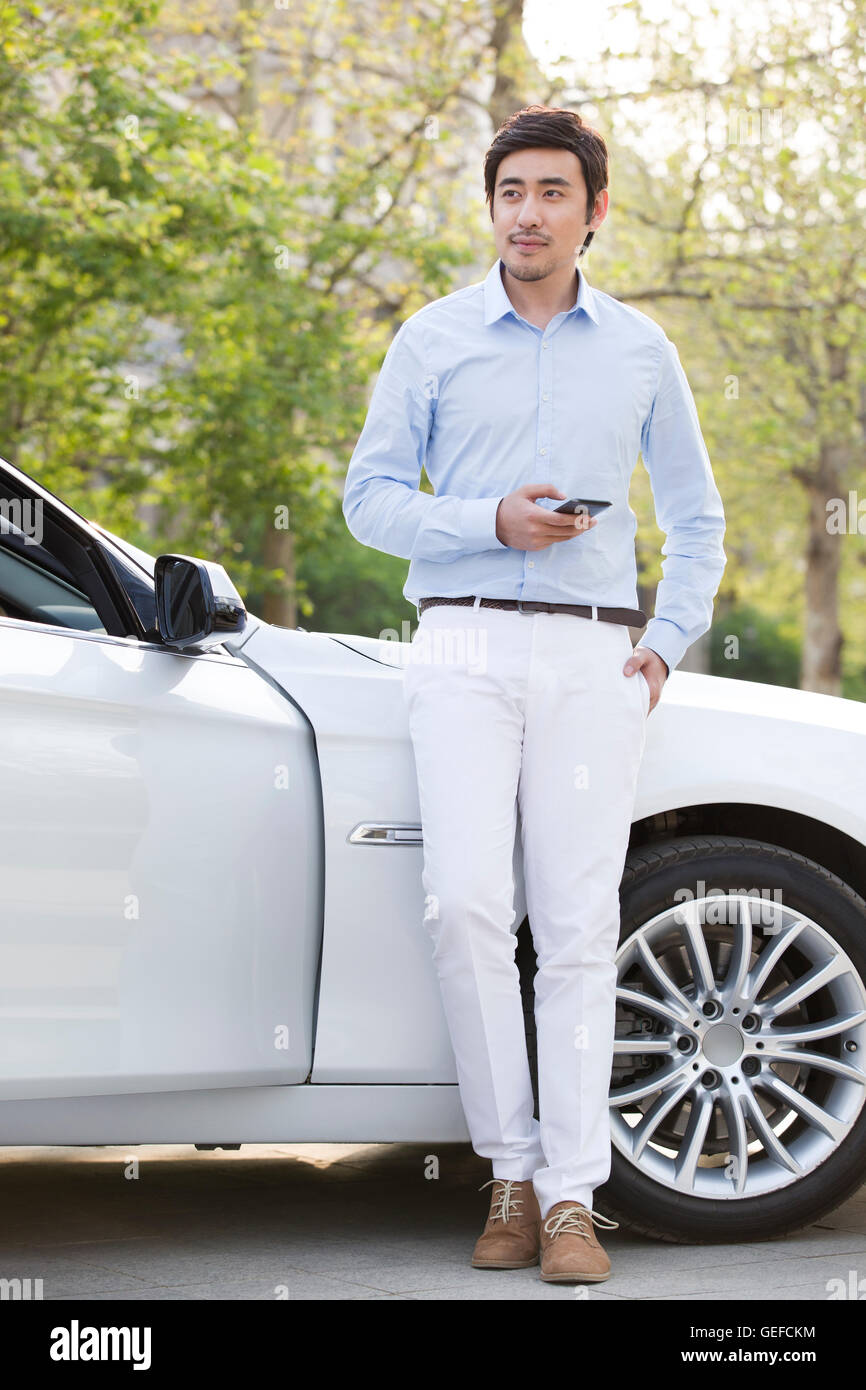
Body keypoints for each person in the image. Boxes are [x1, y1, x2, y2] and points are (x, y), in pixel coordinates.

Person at [341, 104, 726, 1284]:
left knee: (572, 929)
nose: (528, 212)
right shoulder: (432, 339)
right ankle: (505, 1169)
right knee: (461, 905)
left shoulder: (641, 350)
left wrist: (661, 644)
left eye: (552, 191)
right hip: (457, 645)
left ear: (592, 211)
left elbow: (697, 521)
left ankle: (569, 1199)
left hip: (590, 660)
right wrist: (485, 520)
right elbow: (366, 500)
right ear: (492, 206)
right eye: (511, 191)